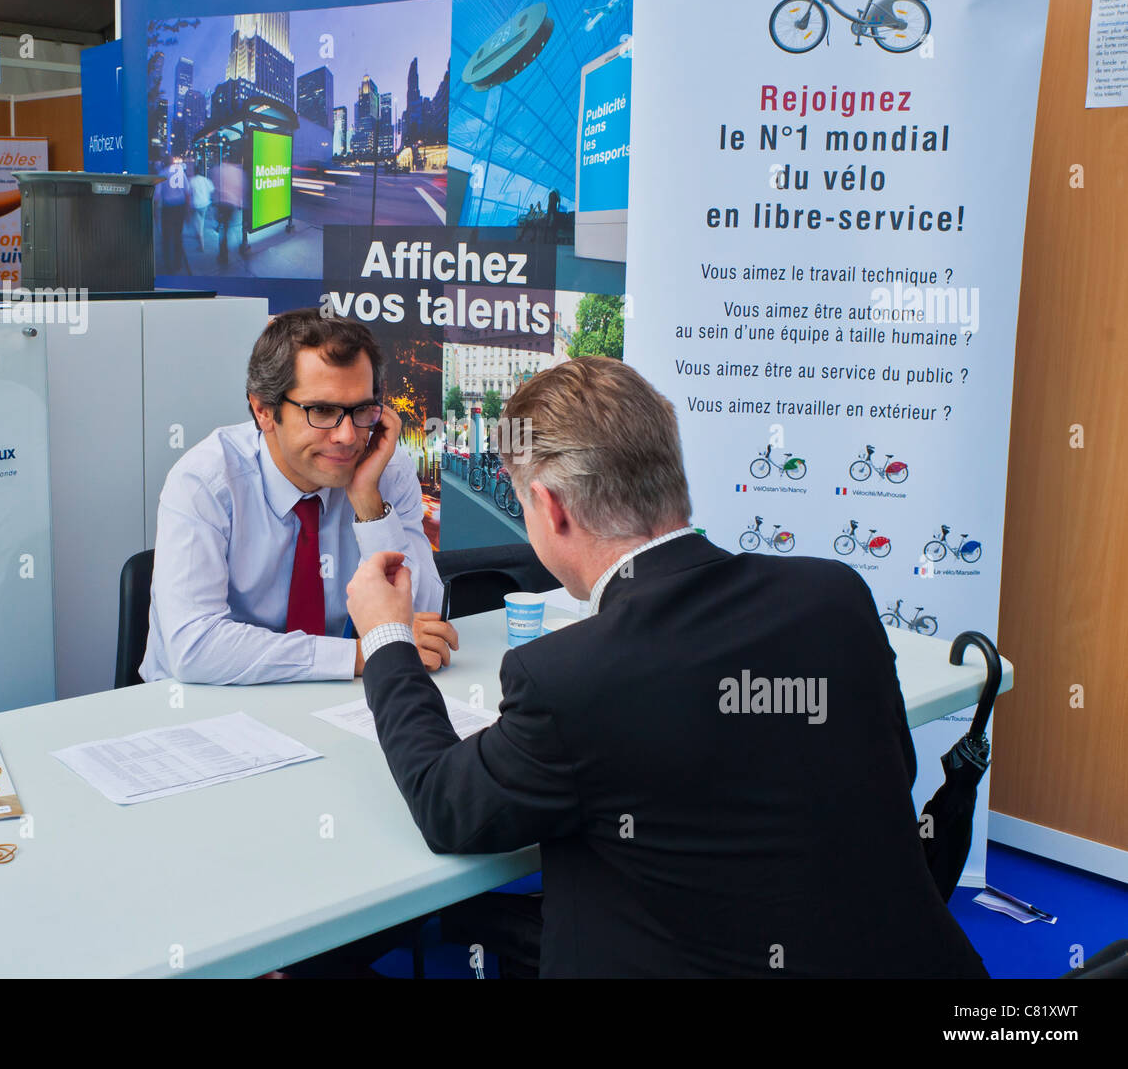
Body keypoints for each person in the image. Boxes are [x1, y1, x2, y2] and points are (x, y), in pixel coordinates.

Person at [347, 356, 989, 978]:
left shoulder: (566, 677)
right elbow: (888, 772)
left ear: (551, 508)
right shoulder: (836, 595)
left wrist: (385, 636)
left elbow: (446, 806)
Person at [141, 308, 454, 685]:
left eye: (361, 411)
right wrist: (364, 652)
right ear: (264, 411)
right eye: (322, 411)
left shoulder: (383, 467)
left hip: (333, 701)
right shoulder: (205, 482)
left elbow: (422, 621)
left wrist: (370, 507)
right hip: (205, 705)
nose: (347, 437)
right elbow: (194, 648)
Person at [189, 167, 215, 251]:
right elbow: (212, 190)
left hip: (196, 205)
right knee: (201, 221)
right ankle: (199, 235)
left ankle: (202, 246)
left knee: (197, 224)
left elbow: (188, 193)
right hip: (205, 204)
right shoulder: (205, 180)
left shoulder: (192, 181)